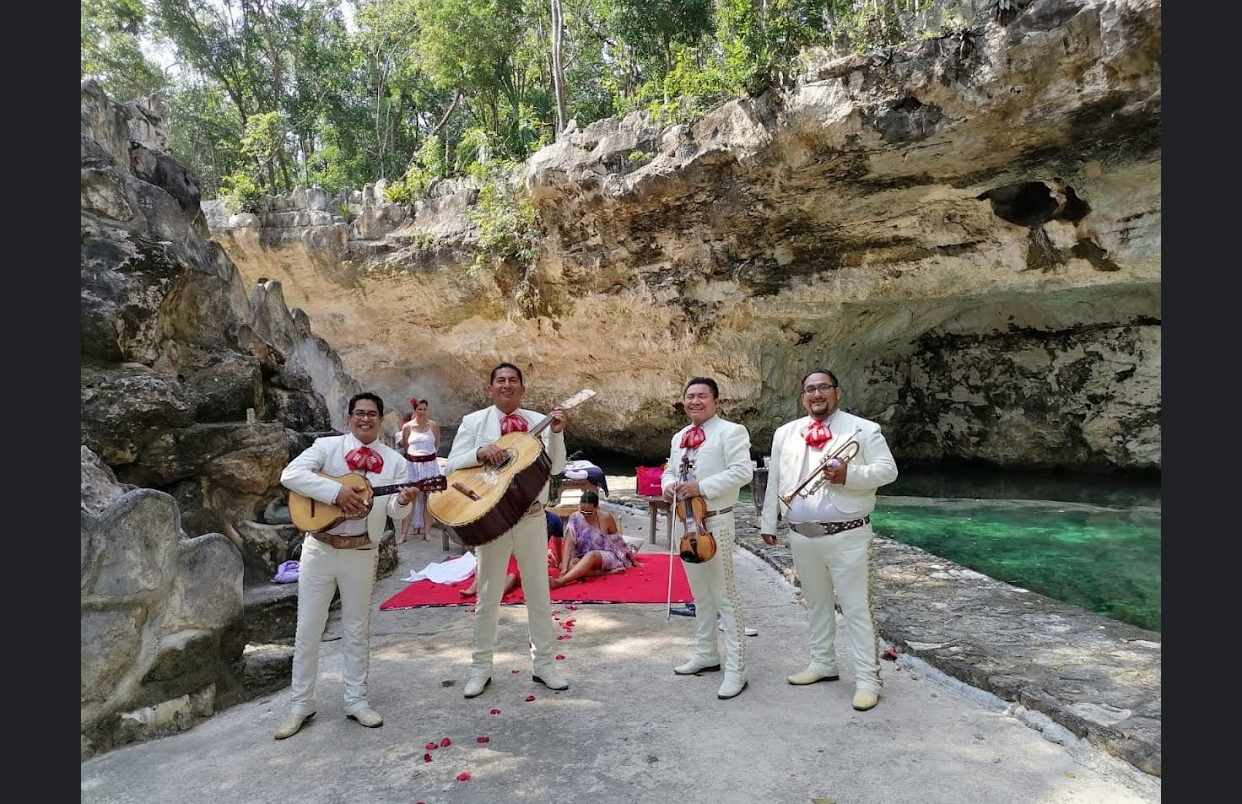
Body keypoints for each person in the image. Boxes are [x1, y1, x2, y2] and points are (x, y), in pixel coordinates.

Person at [274, 392, 417, 739]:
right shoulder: (328, 448)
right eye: (359, 413)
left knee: (356, 628)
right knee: (307, 629)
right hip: (319, 551)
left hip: (361, 552)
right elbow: (290, 475)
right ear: (349, 417)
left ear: (381, 421)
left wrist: (402, 501)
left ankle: (356, 700)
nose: (365, 419)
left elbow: (394, 514)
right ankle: (300, 705)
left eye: (372, 414)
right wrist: (334, 494)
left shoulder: (395, 463)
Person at [759, 369, 898, 712]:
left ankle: (868, 679)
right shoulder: (785, 433)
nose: (816, 394)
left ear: (838, 392)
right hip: (801, 536)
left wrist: (849, 474)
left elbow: (887, 470)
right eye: (809, 389)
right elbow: (774, 478)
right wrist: (768, 522)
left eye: (823, 388)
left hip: (847, 535)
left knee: (856, 609)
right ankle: (823, 663)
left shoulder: (863, 429)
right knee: (816, 604)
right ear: (803, 396)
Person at [444, 363, 569, 698]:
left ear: (523, 389)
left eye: (514, 380)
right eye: (501, 380)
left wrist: (556, 432)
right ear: (491, 388)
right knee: (488, 596)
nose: (507, 385)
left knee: (539, 595)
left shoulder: (537, 422)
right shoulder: (474, 422)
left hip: (531, 517)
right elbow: (452, 464)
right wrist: (478, 452)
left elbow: (556, 467)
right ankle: (480, 668)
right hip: (494, 519)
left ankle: (544, 665)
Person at [661, 377, 754, 700]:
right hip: (686, 522)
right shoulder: (679, 437)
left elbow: (743, 471)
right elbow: (670, 470)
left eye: (702, 396)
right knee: (700, 595)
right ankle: (706, 653)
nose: (695, 401)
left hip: (716, 521)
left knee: (725, 596)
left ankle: (737, 668)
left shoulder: (731, 431)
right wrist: (668, 485)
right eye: (690, 396)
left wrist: (702, 487)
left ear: (716, 402)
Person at [550, 492, 641, 588]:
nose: (585, 515)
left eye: (588, 513)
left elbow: (617, 541)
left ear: (596, 508)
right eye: (582, 512)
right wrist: (564, 568)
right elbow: (568, 545)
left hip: (605, 555)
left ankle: (561, 582)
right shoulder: (575, 517)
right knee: (567, 565)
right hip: (582, 555)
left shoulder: (606, 517)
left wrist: (632, 559)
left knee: (591, 555)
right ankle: (605, 573)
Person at [396, 397, 442, 543]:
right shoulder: (407, 427)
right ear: (414, 410)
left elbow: (437, 443)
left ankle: (427, 531)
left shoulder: (433, 426)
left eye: (424, 409)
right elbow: (405, 445)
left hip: (429, 464)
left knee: (428, 497)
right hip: (413, 465)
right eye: (419, 409)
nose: (422, 412)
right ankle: (404, 533)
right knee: (411, 498)